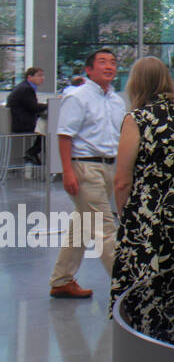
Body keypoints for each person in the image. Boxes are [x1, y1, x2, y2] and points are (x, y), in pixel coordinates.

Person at [109, 56, 174, 347]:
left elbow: (122, 180)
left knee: (147, 291)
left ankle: (149, 353)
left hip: (149, 215)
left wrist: (124, 215)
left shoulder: (136, 119)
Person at [49, 49, 125, 300]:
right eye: (102, 62)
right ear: (89, 70)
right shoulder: (78, 97)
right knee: (104, 227)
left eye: (113, 62)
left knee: (82, 226)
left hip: (108, 167)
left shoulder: (116, 100)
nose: (109, 66)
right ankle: (127, 287)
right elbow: (65, 135)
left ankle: (61, 281)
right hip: (84, 167)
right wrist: (67, 172)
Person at [7, 66, 48, 165]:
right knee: (49, 129)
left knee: (46, 127)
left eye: (42, 76)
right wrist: (50, 105)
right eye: (39, 76)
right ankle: (32, 152)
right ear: (30, 77)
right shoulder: (26, 89)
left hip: (19, 121)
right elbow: (33, 107)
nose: (42, 78)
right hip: (23, 124)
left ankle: (32, 153)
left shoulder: (23, 86)